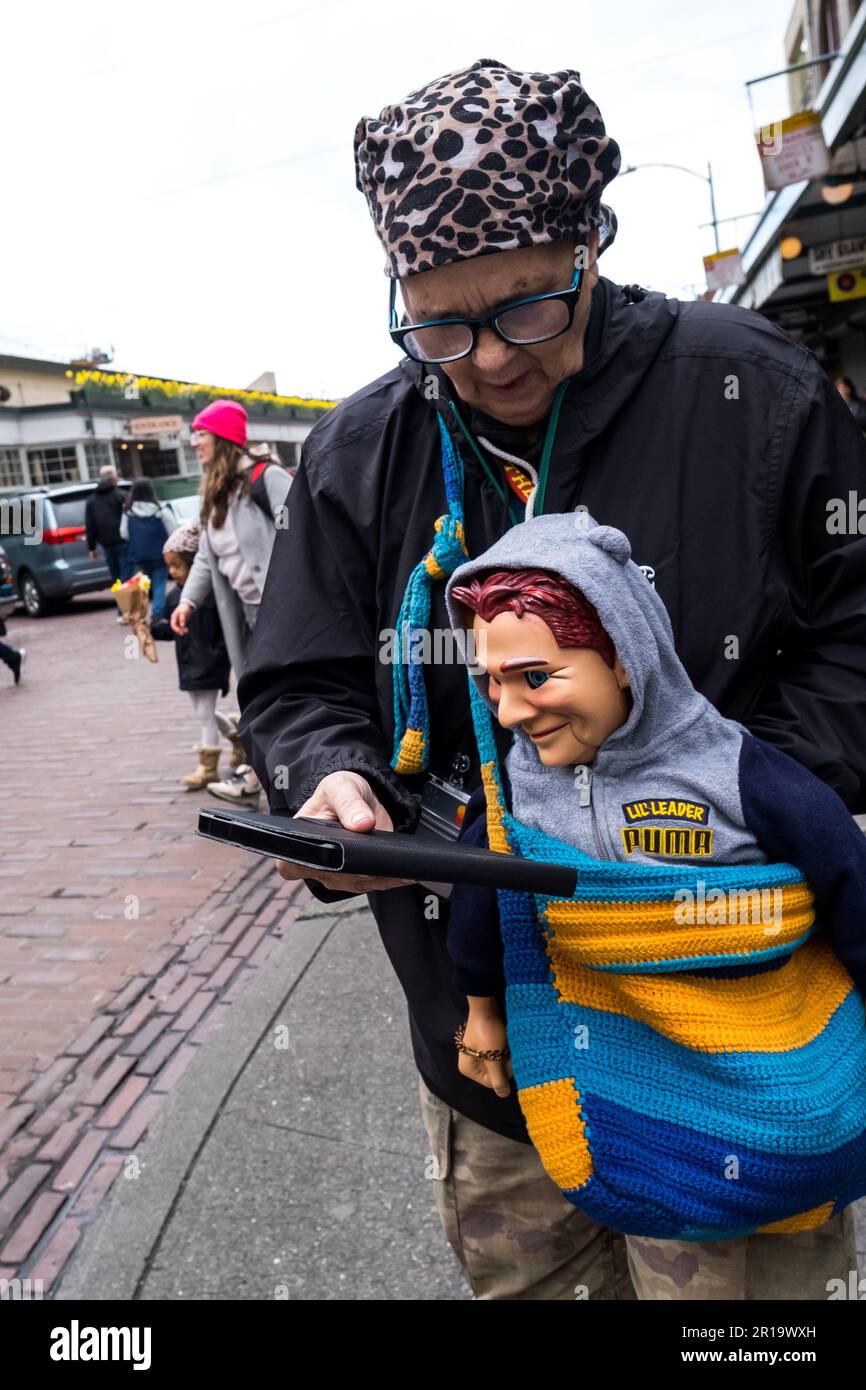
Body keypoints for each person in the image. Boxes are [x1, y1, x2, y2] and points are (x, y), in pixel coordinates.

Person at [237, 59, 866, 1300]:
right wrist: (330, 782)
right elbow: (301, 682)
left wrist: (728, 791)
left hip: (733, 1027)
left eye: (527, 307)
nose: (488, 360)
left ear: (592, 238)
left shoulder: (756, 390)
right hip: (488, 1052)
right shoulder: (359, 449)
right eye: (439, 324)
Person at [441, 513, 866, 1284]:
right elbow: (485, 900)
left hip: (761, 1050)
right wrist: (481, 1015)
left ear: (626, 658)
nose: (509, 711)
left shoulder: (732, 772)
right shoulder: (518, 793)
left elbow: (843, 871)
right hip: (605, 1068)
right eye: (492, 683)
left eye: (536, 677)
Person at [170, 400, 292, 805]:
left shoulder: (266, 478)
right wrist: (187, 601)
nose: (193, 443)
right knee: (260, 697)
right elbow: (207, 556)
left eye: (200, 434)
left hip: (287, 612)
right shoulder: (215, 494)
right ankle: (260, 777)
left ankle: (270, 779)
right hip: (247, 615)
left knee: (285, 695)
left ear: (222, 438)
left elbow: (307, 532)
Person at [148, 520, 232, 789]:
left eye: (177, 565)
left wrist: (220, 656)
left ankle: (208, 768)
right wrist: (147, 628)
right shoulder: (176, 597)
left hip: (209, 662)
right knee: (202, 711)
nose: (173, 572)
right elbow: (172, 630)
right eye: (169, 566)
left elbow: (225, 630)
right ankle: (238, 734)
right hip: (188, 663)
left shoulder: (210, 594)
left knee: (205, 714)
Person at [120, 479, 172, 621]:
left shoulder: (128, 511)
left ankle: (139, 614)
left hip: (138, 554)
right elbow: (172, 531)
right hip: (159, 554)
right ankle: (157, 612)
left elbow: (124, 533)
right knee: (159, 583)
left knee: (142, 584)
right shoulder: (160, 509)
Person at [86, 464, 130, 610]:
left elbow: (90, 525)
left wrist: (91, 547)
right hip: (123, 540)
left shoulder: (92, 500)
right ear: (114, 479)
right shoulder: (121, 495)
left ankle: (122, 608)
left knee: (116, 576)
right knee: (125, 574)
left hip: (106, 543)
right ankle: (125, 609)